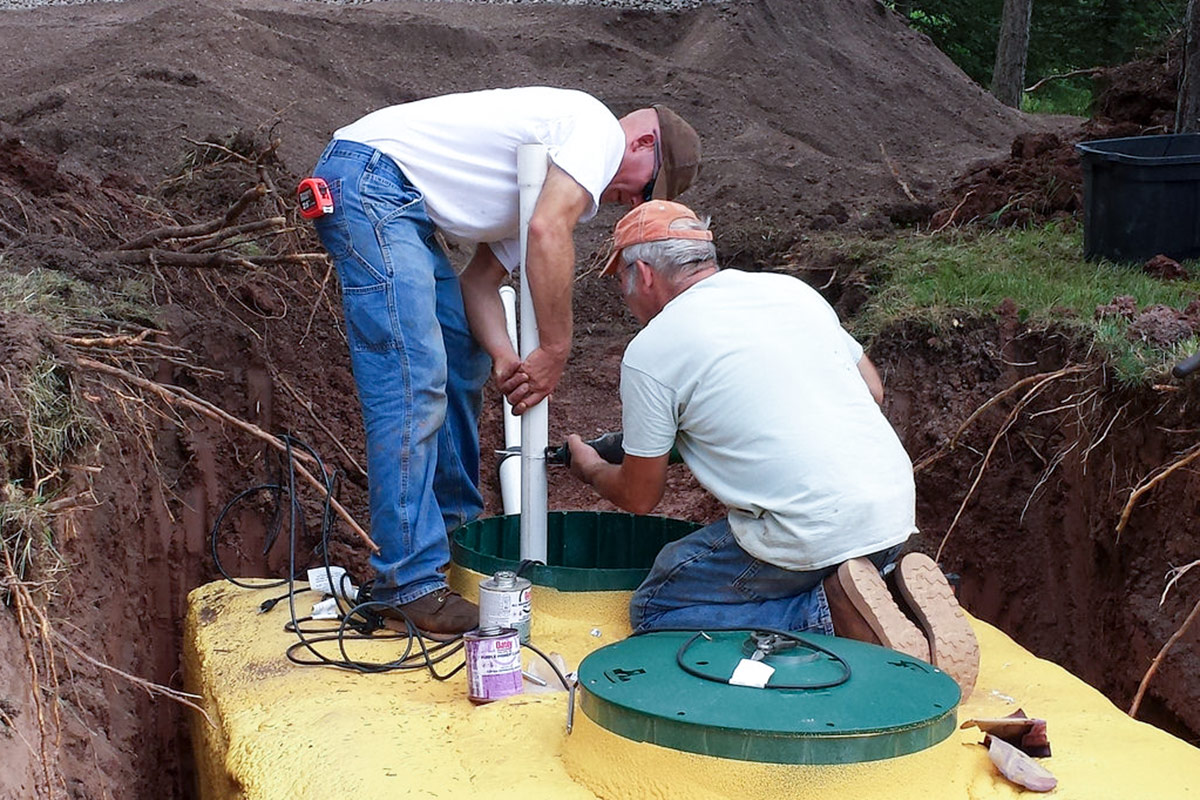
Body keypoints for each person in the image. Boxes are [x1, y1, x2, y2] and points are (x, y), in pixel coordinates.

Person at [309, 87, 701, 636]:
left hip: (398, 202)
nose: (631, 204)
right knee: (412, 381)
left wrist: (503, 356)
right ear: (641, 141)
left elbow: (480, 282)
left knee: (459, 358)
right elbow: (546, 232)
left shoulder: (544, 180)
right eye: (644, 191)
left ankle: (453, 541)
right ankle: (409, 585)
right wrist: (554, 352)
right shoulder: (598, 130)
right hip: (372, 184)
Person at [566, 200, 979, 696]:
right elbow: (872, 390)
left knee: (658, 606)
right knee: (805, 549)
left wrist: (590, 468)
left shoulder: (653, 351)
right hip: (888, 516)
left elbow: (639, 497)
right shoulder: (790, 292)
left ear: (646, 273)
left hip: (806, 538)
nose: (623, 294)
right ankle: (892, 591)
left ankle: (830, 614)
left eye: (621, 279)